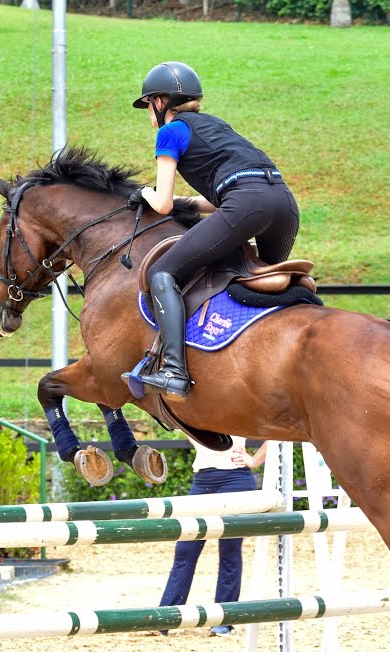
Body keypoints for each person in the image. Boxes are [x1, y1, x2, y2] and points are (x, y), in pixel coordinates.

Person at [129, 61, 300, 401]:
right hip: (283, 203)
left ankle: (175, 372)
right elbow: (225, 197)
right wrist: (181, 202)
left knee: (163, 273)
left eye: (148, 104)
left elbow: (160, 204)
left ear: (160, 102)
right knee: (263, 281)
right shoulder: (218, 126)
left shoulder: (171, 131)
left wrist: (143, 193)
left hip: (248, 203)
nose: (149, 112)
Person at [156, 436, 268, 636]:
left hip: (236, 479)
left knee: (230, 550)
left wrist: (255, 460)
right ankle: (166, 617)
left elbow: (278, 433)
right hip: (202, 479)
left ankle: (224, 618)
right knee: (185, 550)